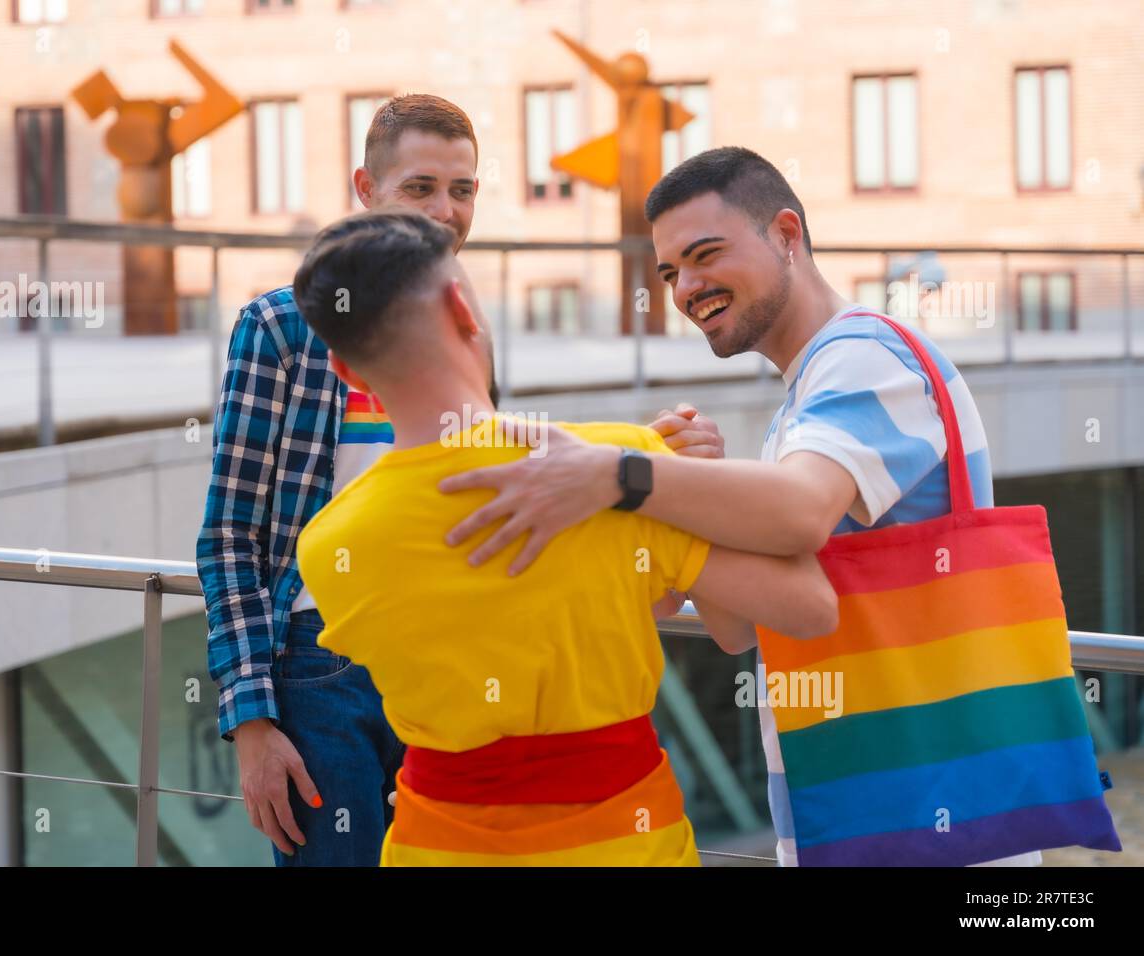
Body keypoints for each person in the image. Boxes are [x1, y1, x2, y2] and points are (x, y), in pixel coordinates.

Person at [436, 146, 1039, 868]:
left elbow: (800, 514)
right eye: (669, 273)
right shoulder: (804, 399)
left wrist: (617, 475)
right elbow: (735, 628)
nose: (687, 288)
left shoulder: (866, 356)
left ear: (787, 234)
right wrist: (694, 483)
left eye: (705, 255)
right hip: (855, 805)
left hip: (925, 810)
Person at [290, 209, 838, 866]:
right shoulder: (609, 463)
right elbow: (809, 608)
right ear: (464, 311)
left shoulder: (328, 547)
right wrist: (681, 486)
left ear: (345, 372)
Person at [195, 94, 483, 866]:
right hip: (322, 667)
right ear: (366, 187)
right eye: (420, 187)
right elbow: (229, 535)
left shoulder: (469, 330)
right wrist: (252, 720)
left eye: (462, 190)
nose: (446, 211)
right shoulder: (284, 327)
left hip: (442, 661)